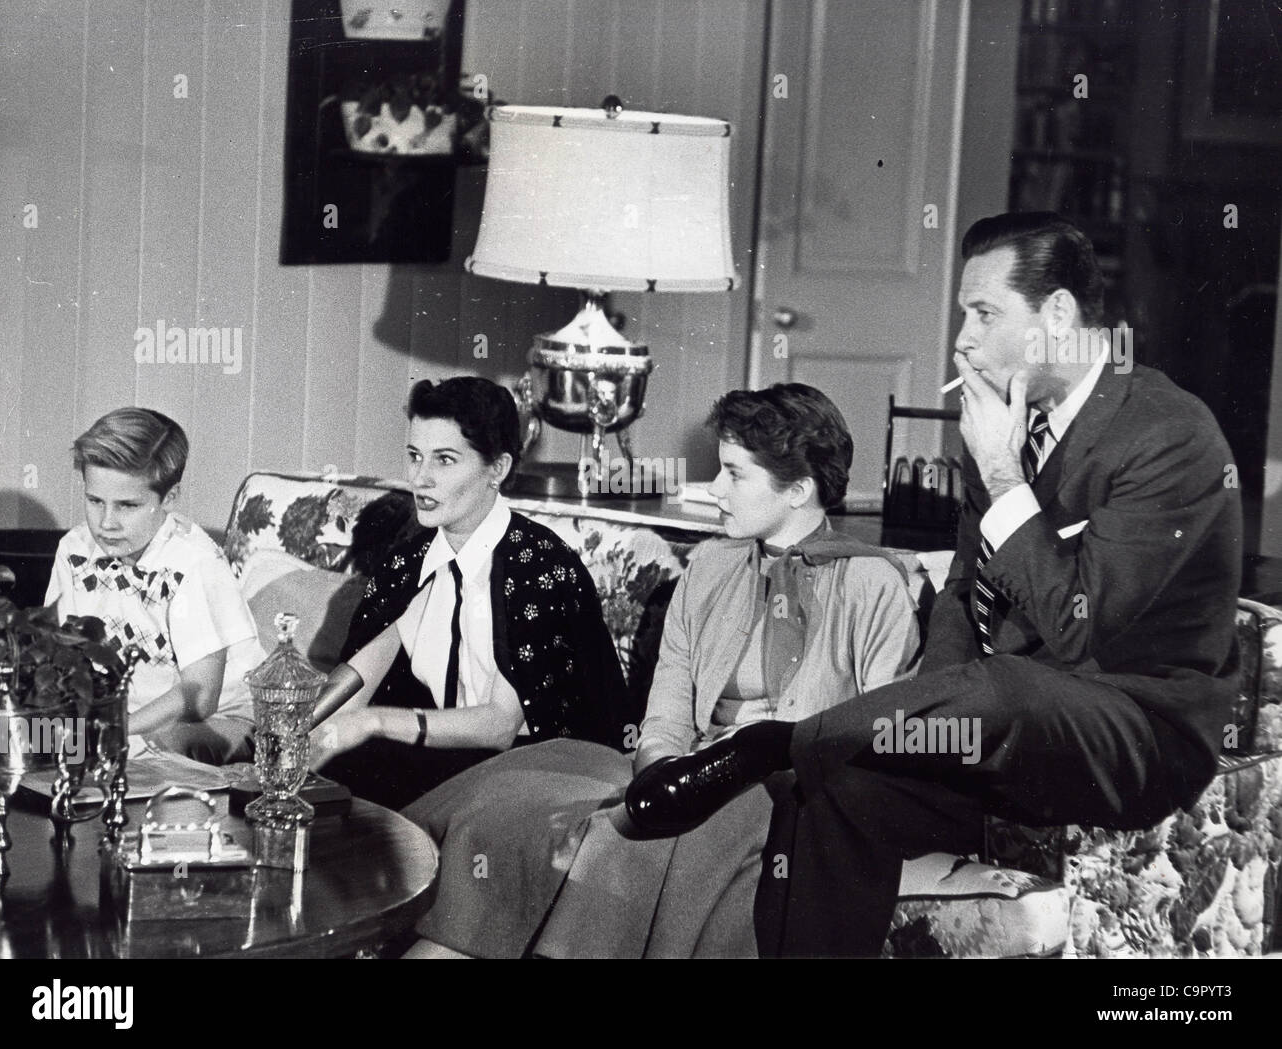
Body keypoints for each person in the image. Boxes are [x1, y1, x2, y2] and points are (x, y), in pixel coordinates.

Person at [625, 212, 1244, 957]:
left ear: (1057, 316)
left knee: (1004, 685)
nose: (961, 340)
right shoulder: (1007, 420)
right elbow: (962, 591)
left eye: (984, 313)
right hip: (1002, 733)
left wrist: (1005, 472)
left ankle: (772, 742)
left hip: (1138, 734)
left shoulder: (1168, 433)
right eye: (963, 314)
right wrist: (935, 725)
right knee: (835, 791)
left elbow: (1083, 631)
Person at [403, 383, 921, 958]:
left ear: (798, 490)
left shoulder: (874, 586)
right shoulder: (710, 567)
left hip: (792, 792)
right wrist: (659, 770)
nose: (714, 489)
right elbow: (669, 703)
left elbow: (879, 744)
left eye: (734, 474)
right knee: (507, 813)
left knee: (618, 843)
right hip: (681, 770)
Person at [308, 376, 630, 810]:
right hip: (452, 754)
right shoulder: (411, 561)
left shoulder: (540, 566)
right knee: (319, 778)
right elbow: (361, 673)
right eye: (414, 456)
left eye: (444, 460)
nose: (421, 479)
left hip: (541, 764)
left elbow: (499, 726)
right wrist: (299, 728)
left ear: (497, 468)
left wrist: (372, 723)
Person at [45, 407, 264, 764]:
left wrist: (113, 727)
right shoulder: (74, 548)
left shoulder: (195, 562)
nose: (106, 522)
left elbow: (200, 696)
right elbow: (61, 660)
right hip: (117, 722)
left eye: (127, 505)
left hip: (216, 723)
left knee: (132, 753)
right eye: (94, 501)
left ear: (169, 498)